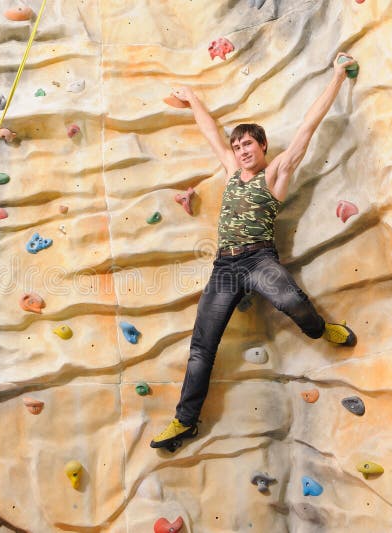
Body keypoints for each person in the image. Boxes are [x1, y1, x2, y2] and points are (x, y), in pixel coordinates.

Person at [150, 52, 359, 451]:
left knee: (293, 302)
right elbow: (211, 134)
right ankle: (185, 421)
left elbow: (308, 128)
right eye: (237, 145)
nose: (241, 150)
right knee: (201, 348)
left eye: (248, 143)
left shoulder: (275, 173)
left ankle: (320, 330)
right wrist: (192, 99)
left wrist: (336, 76)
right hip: (225, 267)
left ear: (262, 146)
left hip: (259, 259)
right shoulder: (231, 172)